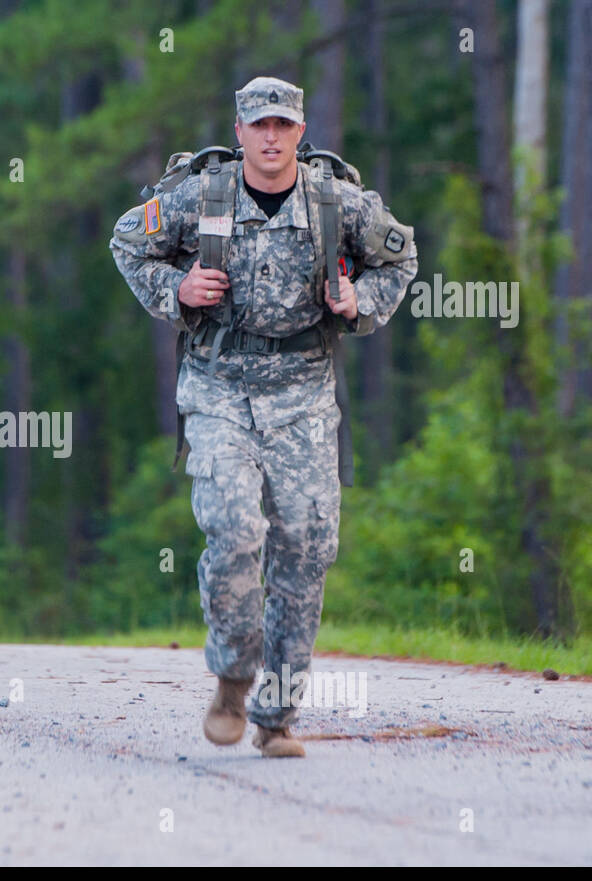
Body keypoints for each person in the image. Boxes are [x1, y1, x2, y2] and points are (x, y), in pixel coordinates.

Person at [109, 76, 418, 757]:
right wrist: (177, 289)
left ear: (300, 132)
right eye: (259, 125)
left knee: (306, 549)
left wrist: (358, 302)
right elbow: (129, 242)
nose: (271, 137)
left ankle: (276, 716)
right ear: (240, 130)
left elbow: (401, 259)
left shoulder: (339, 203)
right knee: (233, 529)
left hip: (304, 394)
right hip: (219, 387)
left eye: (283, 124)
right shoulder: (202, 195)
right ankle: (232, 676)